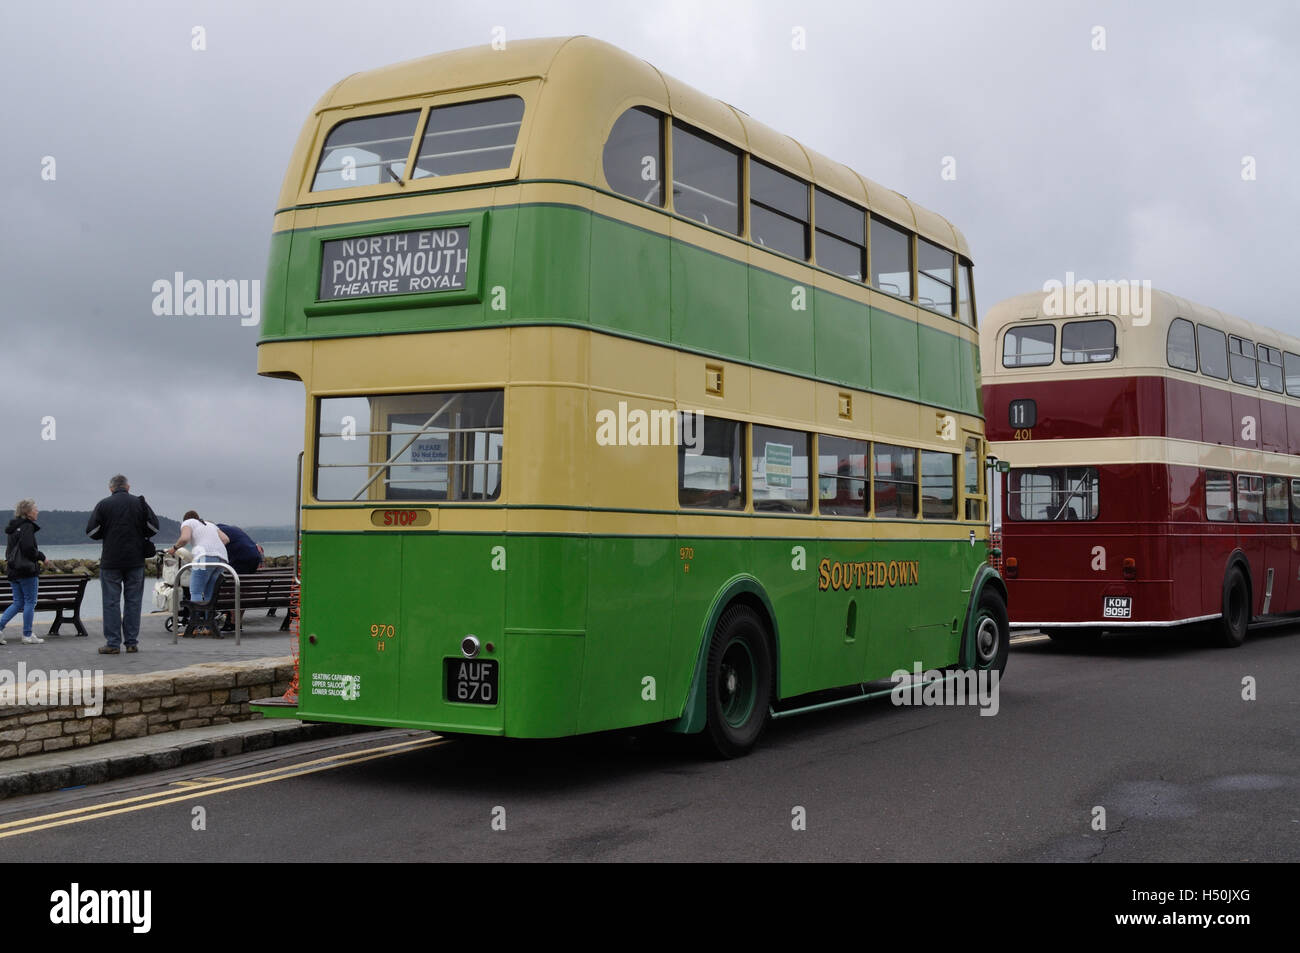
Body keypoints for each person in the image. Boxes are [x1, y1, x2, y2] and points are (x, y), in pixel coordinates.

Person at [86, 474, 159, 655]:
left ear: (111, 488)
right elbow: (154, 528)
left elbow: (91, 532)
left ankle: (112, 643)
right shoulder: (139, 503)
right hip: (135, 560)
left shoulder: (103, 504)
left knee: (111, 602)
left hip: (111, 560)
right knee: (133, 602)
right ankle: (131, 642)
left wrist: (108, 530)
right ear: (128, 486)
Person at [167, 512, 229, 625]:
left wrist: (174, 548)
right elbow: (225, 539)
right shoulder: (210, 524)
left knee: (196, 591)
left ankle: (195, 625)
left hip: (203, 557)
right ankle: (208, 625)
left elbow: (184, 538)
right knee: (209, 592)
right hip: (222, 559)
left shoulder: (188, 522)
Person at [2, 499, 49, 645]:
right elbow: (28, 549)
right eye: (35, 508)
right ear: (27, 512)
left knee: (18, 602)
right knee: (30, 602)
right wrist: (42, 557)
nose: (37, 511)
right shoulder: (27, 527)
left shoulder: (13, 527)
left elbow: (11, 551)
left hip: (13, 570)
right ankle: (27, 635)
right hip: (26, 571)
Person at [216, 523, 263, 631]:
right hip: (254, 556)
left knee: (233, 590)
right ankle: (236, 623)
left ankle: (233, 623)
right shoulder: (229, 528)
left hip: (241, 558)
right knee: (243, 591)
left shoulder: (214, 531)